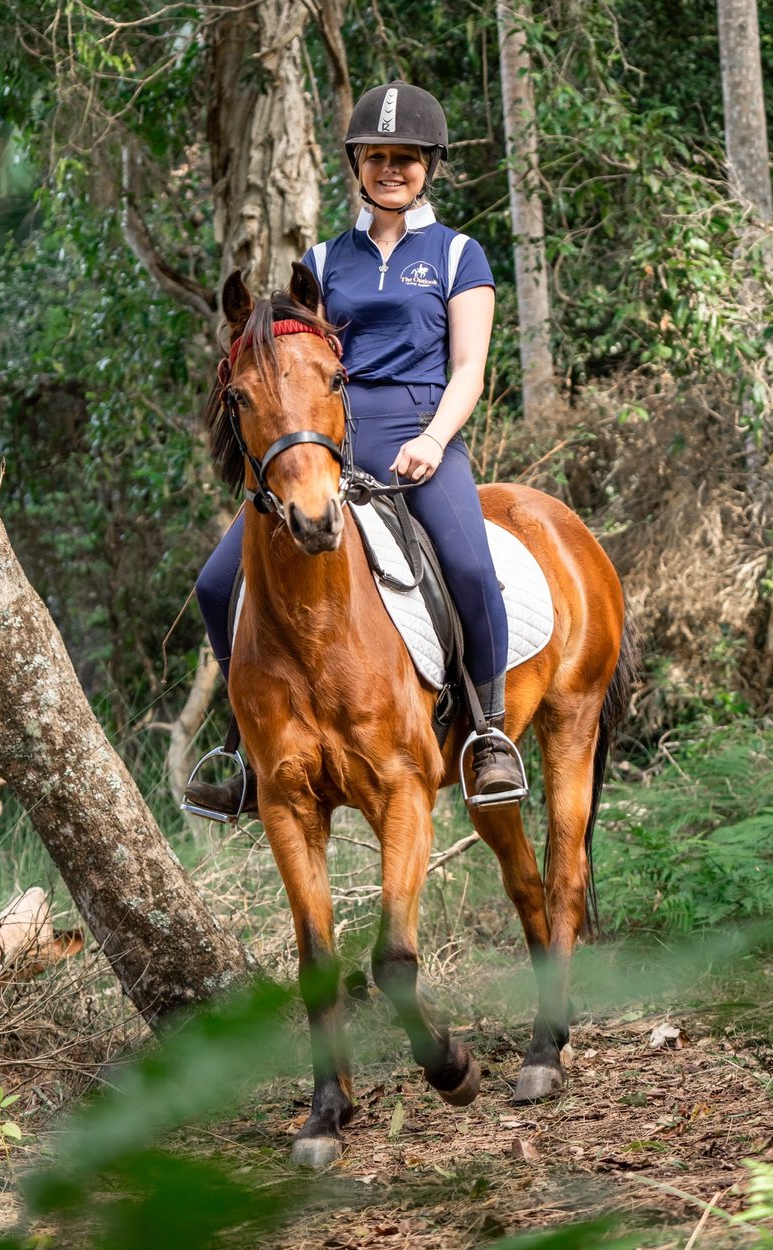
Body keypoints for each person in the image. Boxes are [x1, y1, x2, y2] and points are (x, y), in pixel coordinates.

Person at [184, 81, 525, 819]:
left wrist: (435, 440)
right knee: (217, 583)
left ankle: (489, 733)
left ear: (429, 165)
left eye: (405, 158)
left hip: (418, 433)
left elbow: (469, 367)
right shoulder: (322, 258)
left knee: (469, 566)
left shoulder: (459, 254)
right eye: (377, 157)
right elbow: (298, 357)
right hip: (328, 438)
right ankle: (244, 751)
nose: (390, 170)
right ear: (358, 165)